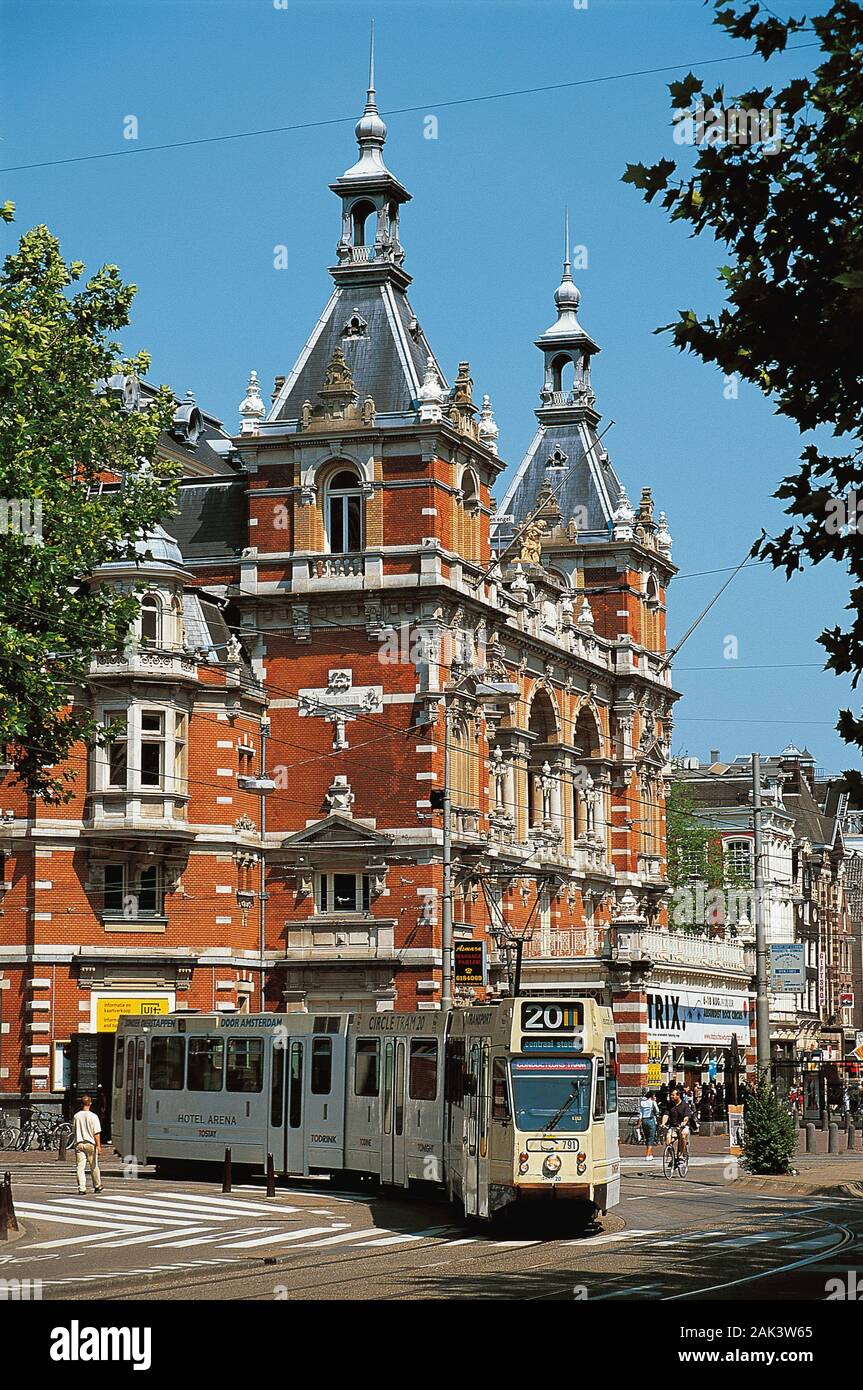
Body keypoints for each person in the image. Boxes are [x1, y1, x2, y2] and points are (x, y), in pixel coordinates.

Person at [73, 1093, 103, 1195]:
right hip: (90, 1144)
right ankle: (97, 1185)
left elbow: (74, 1130)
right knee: (93, 1165)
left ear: (81, 1104)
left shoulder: (76, 1116)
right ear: (90, 1103)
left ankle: (82, 1188)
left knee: (80, 1167)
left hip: (79, 1143)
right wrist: (98, 1146)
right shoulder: (93, 1116)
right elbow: (96, 1133)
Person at [661, 1087, 693, 1157]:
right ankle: (672, 1157)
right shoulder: (670, 1105)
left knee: (683, 1135)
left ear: (678, 1096)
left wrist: (684, 1123)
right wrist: (663, 1123)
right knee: (668, 1141)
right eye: (671, 1095)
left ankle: (681, 1153)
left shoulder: (685, 1105)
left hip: (683, 1126)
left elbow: (686, 1116)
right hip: (673, 1126)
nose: (671, 1096)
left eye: (673, 1095)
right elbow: (666, 1115)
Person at [639, 1089, 660, 1161]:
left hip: (644, 1120)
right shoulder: (652, 1102)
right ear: (652, 1096)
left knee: (647, 1137)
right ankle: (647, 1154)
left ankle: (650, 1154)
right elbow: (657, 1110)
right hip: (651, 1119)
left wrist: (639, 1122)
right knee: (651, 1137)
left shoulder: (642, 1102)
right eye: (654, 1096)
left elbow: (641, 1114)